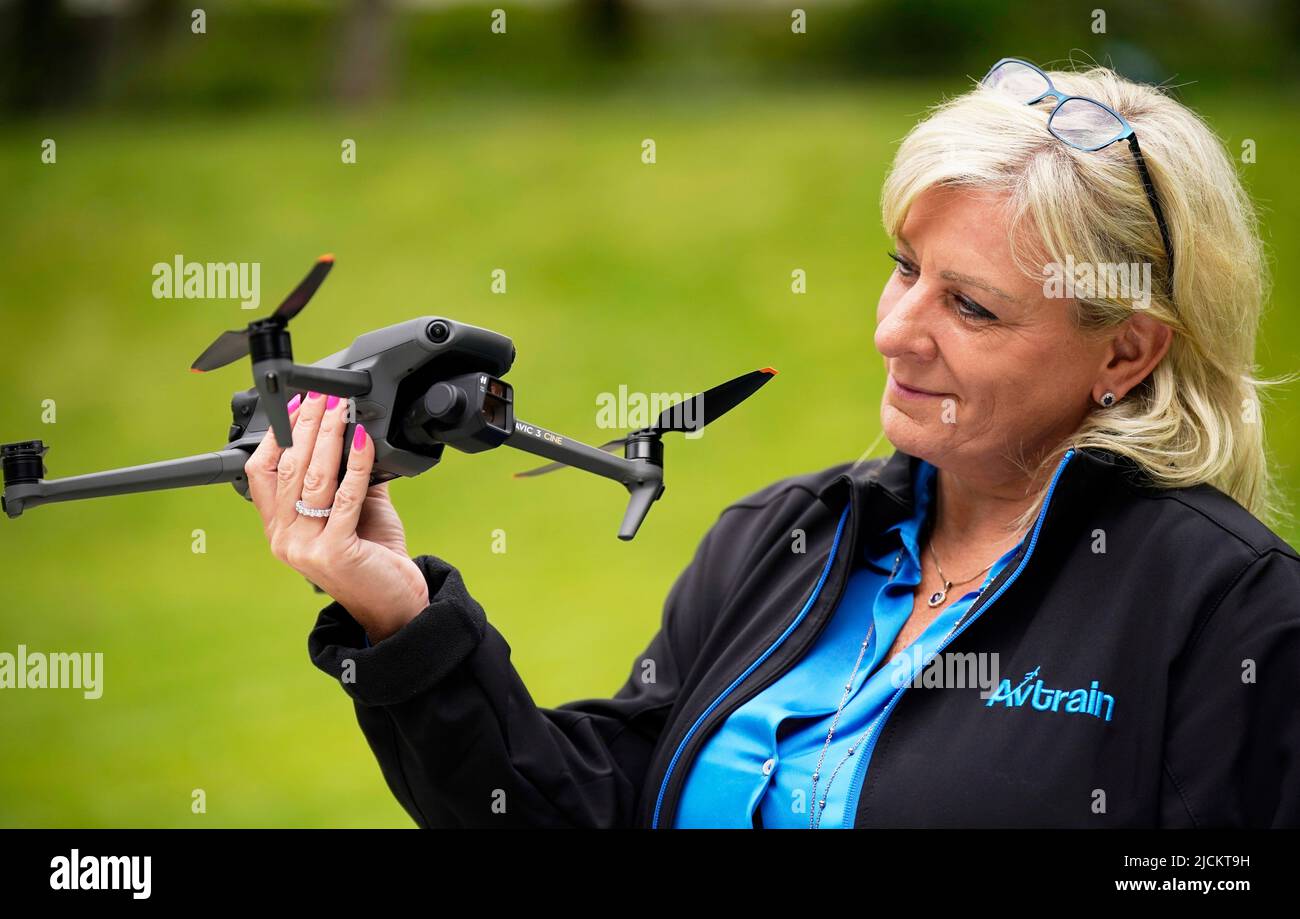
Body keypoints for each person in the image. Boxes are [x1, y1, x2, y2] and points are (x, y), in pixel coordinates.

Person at [244, 59, 1300, 828]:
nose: (894, 331)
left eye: (970, 307)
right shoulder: (787, 538)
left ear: (1123, 354)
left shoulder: (1233, 612)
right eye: (902, 268)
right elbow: (586, 811)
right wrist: (399, 615)